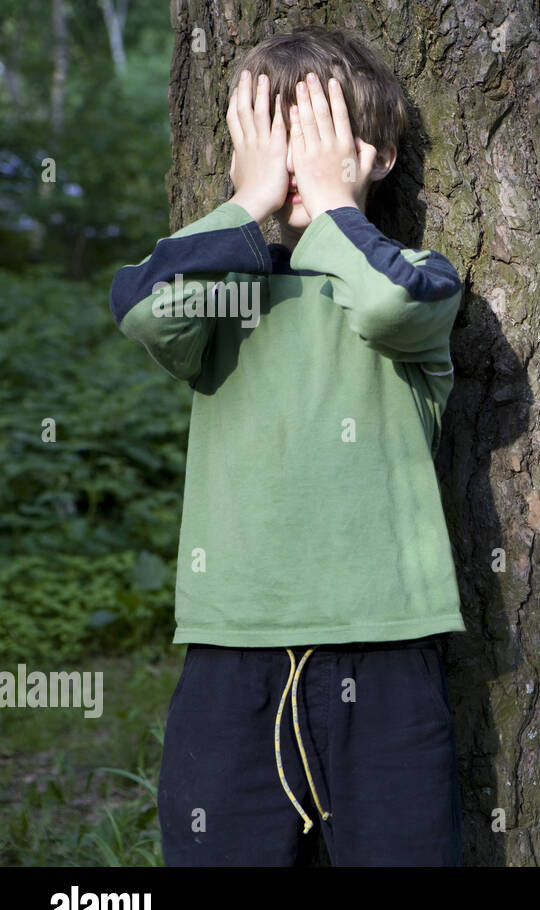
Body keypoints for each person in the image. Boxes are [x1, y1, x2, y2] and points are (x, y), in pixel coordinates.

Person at [109, 26, 465, 865]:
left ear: (374, 159)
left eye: (319, 145)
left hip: (386, 647)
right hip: (233, 649)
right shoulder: (224, 293)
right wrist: (248, 203)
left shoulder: (419, 276)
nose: (295, 167)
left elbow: (385, 309)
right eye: (274, 144)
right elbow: (143, 309)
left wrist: (335, 207)